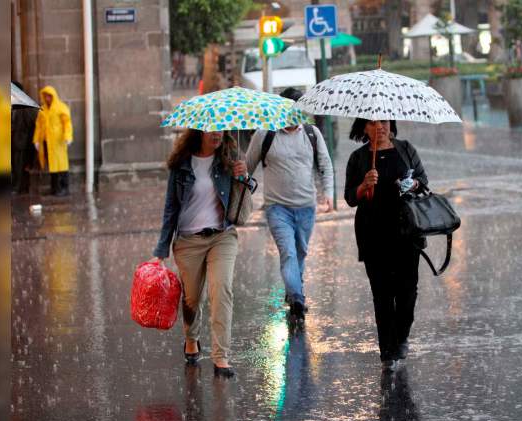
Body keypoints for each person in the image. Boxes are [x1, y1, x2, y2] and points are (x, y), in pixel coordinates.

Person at [152, 129, 248, 378]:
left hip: (222, 236)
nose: (217, 134)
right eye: (211, 130)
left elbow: (241, 202)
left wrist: (242, 177)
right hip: (188, 241)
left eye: (221, 129)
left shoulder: (228, 158)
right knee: (192, 298)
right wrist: (160, 251)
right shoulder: (181, 164)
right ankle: (191, 337)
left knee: (221, 290)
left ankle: (221, 357)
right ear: (199, 132)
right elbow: (170, 208)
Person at [343, 119, 428, 372]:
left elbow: (422, 179)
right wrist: (364, 186)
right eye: (372, 123)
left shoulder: (405, 149)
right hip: (373, 233)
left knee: (407, 292)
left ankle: (401, 337)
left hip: (406, 231)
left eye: (385, 121)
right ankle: (387, 352)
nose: (380, 126)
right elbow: (350, 197)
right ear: (363, 129)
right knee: (382, 294)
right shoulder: (358, 159)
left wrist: (412, 184)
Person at [243, 87, 334, 321]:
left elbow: (325, 164)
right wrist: (238, 184)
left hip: (306, 206)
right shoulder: (265, 134)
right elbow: (247, 167)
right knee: (289, 254)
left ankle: (294, 291)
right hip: (277, 208)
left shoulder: (312, 134)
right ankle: (296, 299)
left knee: (301, 252)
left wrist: (329, 194)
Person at [32, 86, 72, 196]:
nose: (47, 98)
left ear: (53, 96)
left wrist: (67, 136)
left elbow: (67, 123)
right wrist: (36, 140)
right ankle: (55, 188)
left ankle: (64, 188)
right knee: (52, 166)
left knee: (61, 165)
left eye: (49, 96)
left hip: (59, 141)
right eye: (45, 96)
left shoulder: (61, 108)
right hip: (47, 141)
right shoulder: (42, 110)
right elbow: (39, 126)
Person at [11, 81, 38, 194]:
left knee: (19, 166)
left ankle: (18, 188)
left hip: (22, 142)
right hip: (12, 142)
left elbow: (36, 123)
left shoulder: (27, 107)